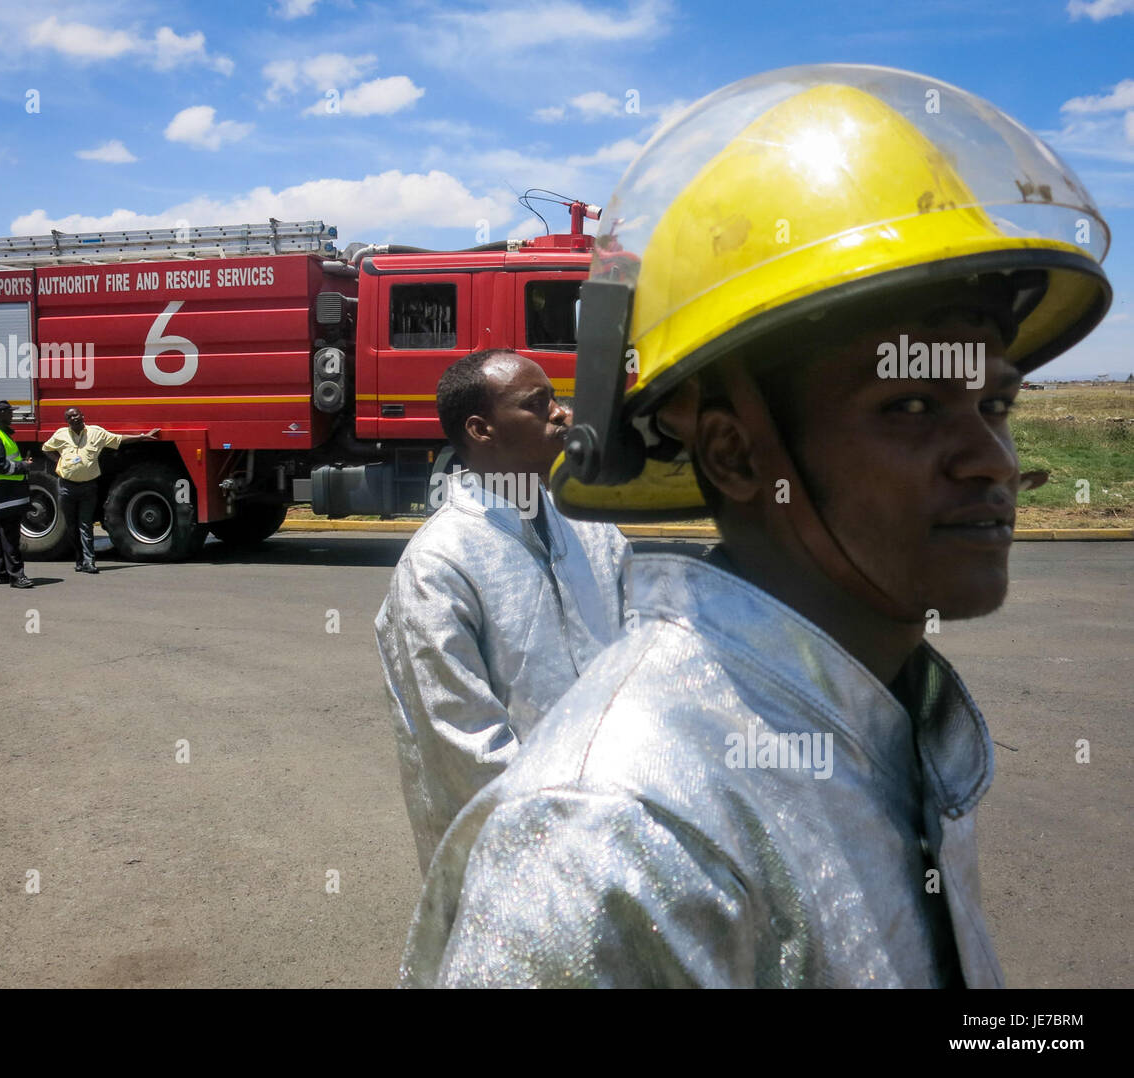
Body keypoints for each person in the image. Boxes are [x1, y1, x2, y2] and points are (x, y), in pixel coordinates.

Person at [400, 66, 1112, 987]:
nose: (993, 462)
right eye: (911, 405)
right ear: (736, 454)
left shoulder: (890, 723)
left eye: (997, 407)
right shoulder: (613, 833)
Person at [375, 349, 631, 875]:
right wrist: (571, 828)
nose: (562, 414)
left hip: (618, 827)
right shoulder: (438, 565)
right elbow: (466, 745)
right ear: (481, 429)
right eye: (538, 405)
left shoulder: (593, 528)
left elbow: (640, 656)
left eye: (555, 399)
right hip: (515, 863)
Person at [41, 408, 159, 572]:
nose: (74, 418)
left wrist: (141, 437)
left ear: (83, 416)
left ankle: (90, 561)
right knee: (71, 525)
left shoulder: (96, 433)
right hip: (66, 487)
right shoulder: (60, 434)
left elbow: (118, 439)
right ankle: (79, 560)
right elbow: (46, 448)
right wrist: (59, 461)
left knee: (86, 524)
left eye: (76, 415)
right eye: (70, 417)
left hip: (88, 487)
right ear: (66, 421)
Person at [0, 400, 34, 589]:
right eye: (8, 412)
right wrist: (23, 466)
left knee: (5, 535)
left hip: (6, 494)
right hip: (4, 495)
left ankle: (3, 573)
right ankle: (17, 576)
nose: (12, 415)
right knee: (11, 538)